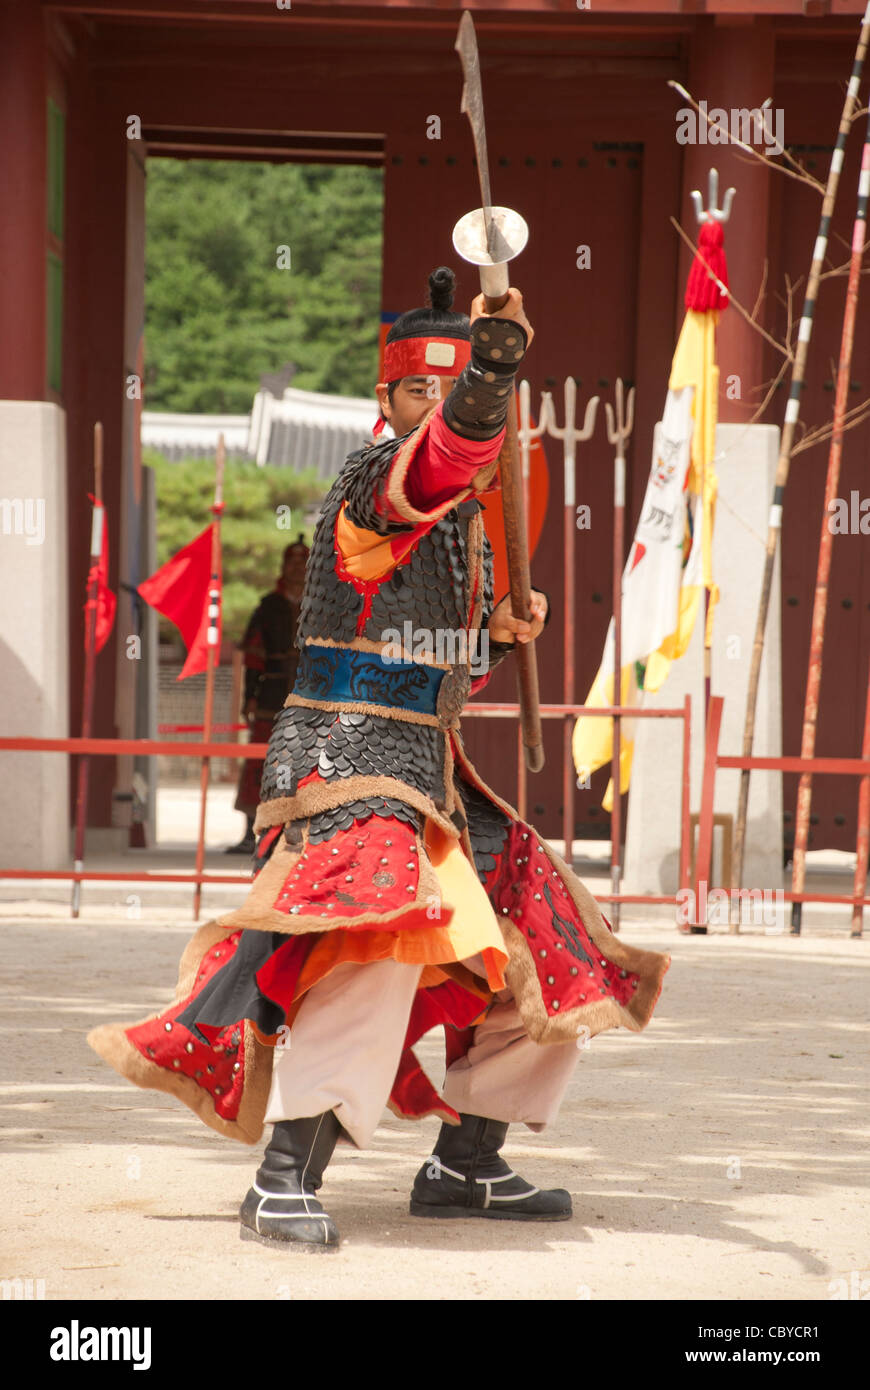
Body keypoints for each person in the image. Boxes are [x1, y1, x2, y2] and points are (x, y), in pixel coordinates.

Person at [89, 267, 669, 1250]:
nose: (436, 410)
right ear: (384, 400)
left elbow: (428, 660)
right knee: (377, 931)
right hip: (345, 766)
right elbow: (438, 464)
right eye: (418, 391)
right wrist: (491, 369)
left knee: (543, 919)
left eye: (456, 392)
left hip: (427, 767)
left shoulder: (465, 536)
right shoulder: (374, 488)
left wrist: (491, 635)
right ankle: (283, 1176)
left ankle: (465, 1161)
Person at [226, 538, 309, 854]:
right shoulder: (268, 606)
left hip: (309, 695)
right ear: (283, 567)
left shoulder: (320, 605)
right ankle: (252, 831)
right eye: (292, 562)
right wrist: (249, 696)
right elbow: (254, 658)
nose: (297, 569)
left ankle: (298, 831)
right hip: (271, 693)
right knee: (259, 761)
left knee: (304, 761)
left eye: (303, 563)